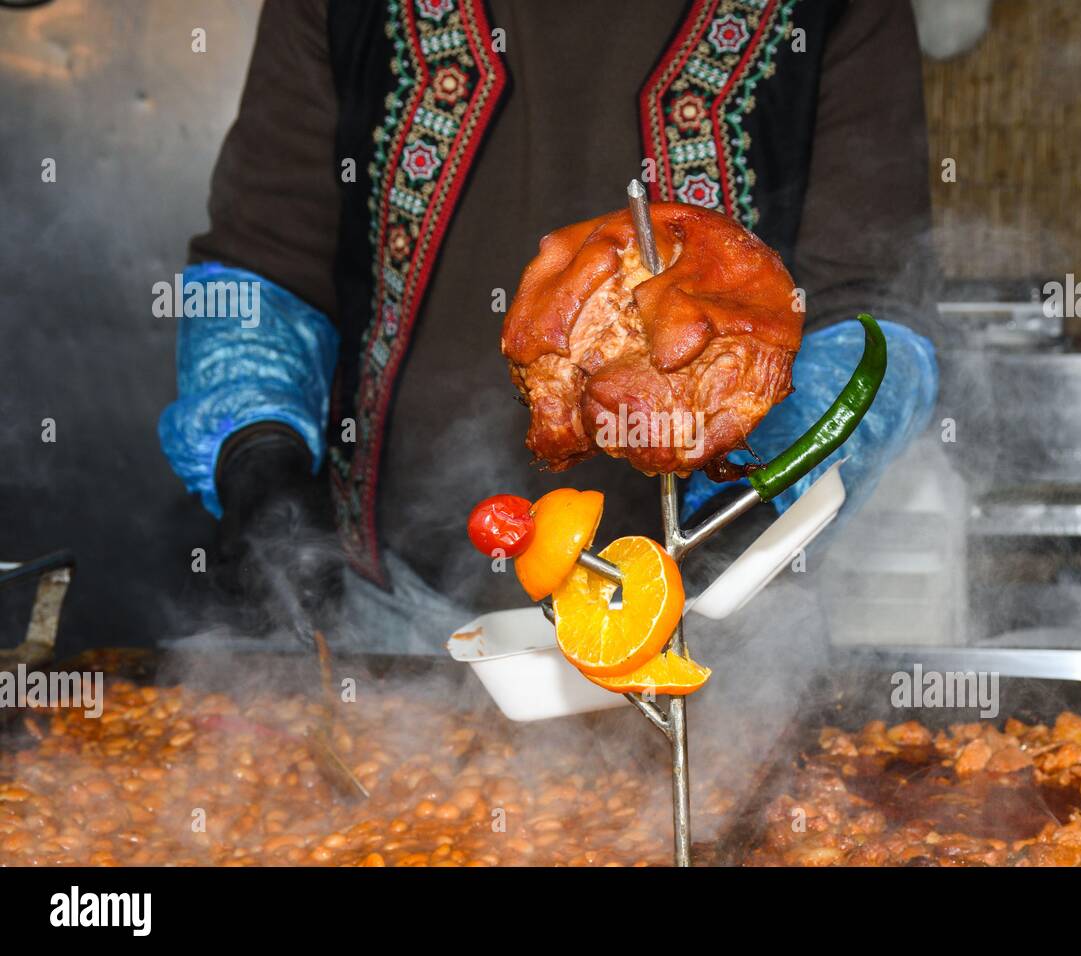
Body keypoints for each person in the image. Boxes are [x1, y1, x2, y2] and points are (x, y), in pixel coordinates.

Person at [159, 0, 939, 652]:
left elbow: (873, 313)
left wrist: (766, 497)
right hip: (383, 617)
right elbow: (263, 263)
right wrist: (256, 446)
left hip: (712, 625)